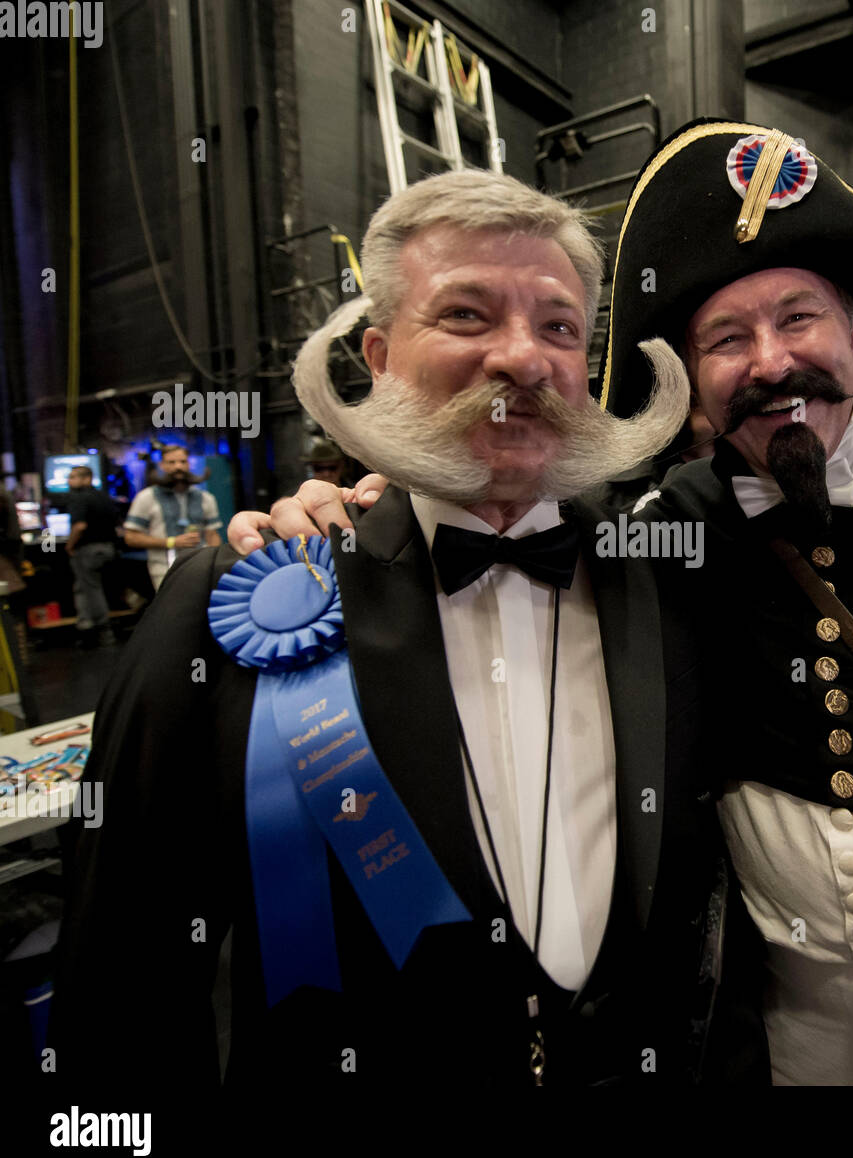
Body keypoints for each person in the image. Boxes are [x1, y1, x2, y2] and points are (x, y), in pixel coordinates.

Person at [239, 122, 853, 1085]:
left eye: (799, 318)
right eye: (727, 340)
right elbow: (478, 503)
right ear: (690, 382)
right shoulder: (654, 535)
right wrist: (362, 504)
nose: (773, 363)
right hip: (771, 1033)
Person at [51, 168, 765, 1090]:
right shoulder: (243, 598)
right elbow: (123, 974)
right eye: (466, 316)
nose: (523, 358)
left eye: (557, 326)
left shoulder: (671, 588)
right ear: (379, 358)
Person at [122, 445, 222, 591]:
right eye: (172, 462)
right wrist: (171, 542)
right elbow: (131, 537)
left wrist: (215, 563)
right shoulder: (146, 497)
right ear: (162, 465)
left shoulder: (206, 498)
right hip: (163, 569)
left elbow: (212, 535)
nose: (178, 467)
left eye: (183, 462)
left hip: (201, 567)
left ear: (188, 464)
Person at [64, 464, 120, 648]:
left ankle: (103, 631)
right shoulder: (103, 496)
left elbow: (79, 526)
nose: (69, 481)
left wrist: (69, 545)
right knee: (85, 587)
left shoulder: (78, 497)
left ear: (87, 478)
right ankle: (85, 625)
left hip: (88, 549)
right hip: (109, 548)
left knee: (90, 589)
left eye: (73, 477)